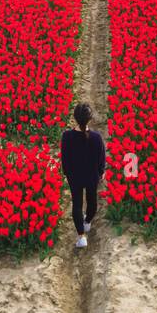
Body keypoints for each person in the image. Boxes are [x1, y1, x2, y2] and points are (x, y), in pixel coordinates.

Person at [59, 102, 105, 248]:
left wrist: (66, 173)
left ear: (75, 118)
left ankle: (81, 237)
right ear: (89, 119)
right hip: (92, 175)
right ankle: (87, 222)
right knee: (92, 202)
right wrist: (101, 172)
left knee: (77, 205)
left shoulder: (67, 137)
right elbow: (101, 158)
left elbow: (65, 159)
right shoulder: (97, 138)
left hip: (75, 176)